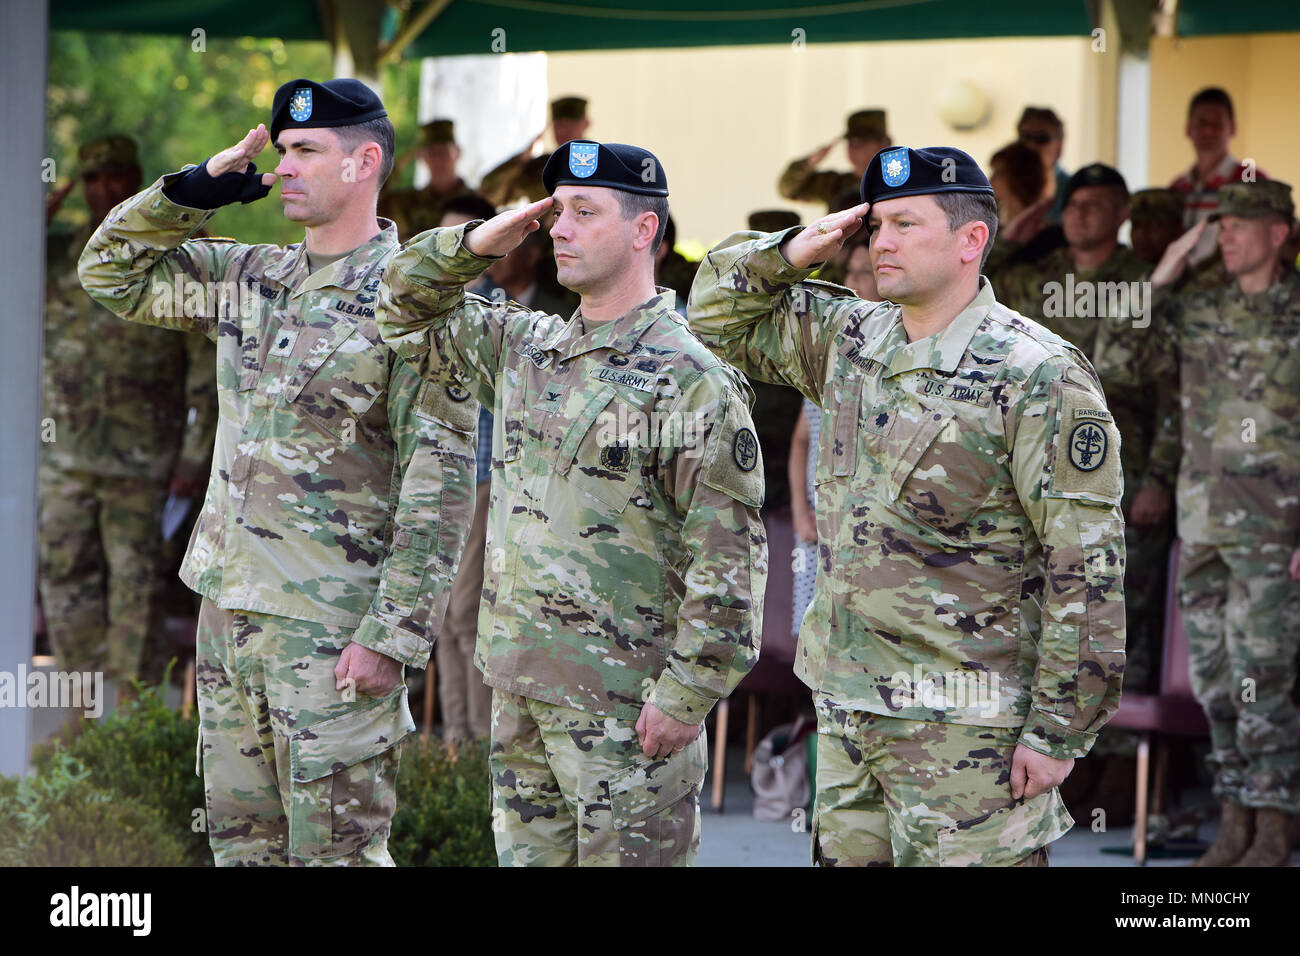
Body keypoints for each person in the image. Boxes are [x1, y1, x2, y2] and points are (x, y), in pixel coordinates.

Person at [78, 78, 478, 866]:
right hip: (230, 611)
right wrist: (195, 190)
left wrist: (390, 638)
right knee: (241, 852)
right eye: (283, 151)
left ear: (366, 162)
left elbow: (441, 489)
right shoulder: (251, 276)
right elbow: (110, 271)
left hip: (333, 631)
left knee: (338, 857)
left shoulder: (415, 303)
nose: (285, 167)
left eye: (306, 151)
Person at [690, 146, 1126, 866]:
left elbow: (1086, 568)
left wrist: (1057, 732)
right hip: (849, 708)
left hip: (968, 729)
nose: (880, 241)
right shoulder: (850, 338)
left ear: (971, 241)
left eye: (904, 225)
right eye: (876, 225)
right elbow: (711, 314)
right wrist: (792, 250)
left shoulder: (1037, 374)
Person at [379, 139, 768, 867]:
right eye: (556, 213)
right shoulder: (527, 347)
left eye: (584, 212)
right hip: (521, 690)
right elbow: (399, 307)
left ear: (643, 231)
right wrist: (473, 243)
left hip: (627, 710)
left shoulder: (692, 381)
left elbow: (729, 566)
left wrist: (685, 698)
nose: (560, 229)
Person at [998, 163, 1178, 823]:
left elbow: (1171, 394)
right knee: (1051, 620)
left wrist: (1160, 475)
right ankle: (1065, 757)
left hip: (1121, 485)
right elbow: (978, 274)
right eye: (1073, 205)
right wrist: (1023, 227)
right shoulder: (1035, 279)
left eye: (1098, 205)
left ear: (1123, 211)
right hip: (1039, 484)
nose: (1081, 215)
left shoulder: (1144, 283)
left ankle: (1125, 771)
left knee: (1118, 622)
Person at [1149, 180, 1300, 867]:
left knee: (1262, 671)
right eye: (1222, 225)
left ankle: (1276, 822)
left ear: (1279, 233)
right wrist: (1171, 265)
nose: (1227, 235)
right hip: (1204, 518)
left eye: (1241, 224)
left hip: (1275, 527)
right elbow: (1120, 359)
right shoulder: (1199, 306)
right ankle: (1233, 815)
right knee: (1214, 678)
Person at [41, 134, 216, 704]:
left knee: (137, 595)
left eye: (115, 176)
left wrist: (194, 455)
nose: (104, 188)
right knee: (65, 584)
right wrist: (33, 211)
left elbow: (204, 365)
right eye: (92, 179)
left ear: (135, 180)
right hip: (63, 457)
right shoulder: (54, 250)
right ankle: (79, 721)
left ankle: (132, 722)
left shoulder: (167, 254)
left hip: (143, 461)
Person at [1170, 87, 1269, 267]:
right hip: (1181, 288)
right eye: (1201, 122)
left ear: (1232, 128)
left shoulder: (1251, 179)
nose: (1208, 130)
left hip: (1233, 289)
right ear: (1187, 128)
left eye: (1217, 123)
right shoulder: (1177, 187)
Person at [378, 118, 480, 239]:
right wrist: (407, 157)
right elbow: (372, 193)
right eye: (431, 152)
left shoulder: (477, 202)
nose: (438, 160)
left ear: (458, 152)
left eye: (444, 152)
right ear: (421, 155)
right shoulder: (406, 202)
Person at [479, 96, 590, 207]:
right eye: (558, 124)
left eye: (570, 124)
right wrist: (521, 160)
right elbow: (490, 193)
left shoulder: (599, 161)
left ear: (586, 124)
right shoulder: (542, 166)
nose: (563, 130)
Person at [778, 109, 890, 211]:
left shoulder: (896, 183)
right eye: (849, 142)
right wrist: (811, 161)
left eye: (859, 142)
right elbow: (788, 190)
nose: (851, 148)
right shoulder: (835, 184)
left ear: (883, 144)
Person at [1016, 107, 1069, 225]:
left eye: (1041, 139)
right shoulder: (1004, 180)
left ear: (1060, 146)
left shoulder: (1072, 188)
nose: (1031, 145)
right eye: (1025, 137)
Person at [1129, 188, 1187, 267]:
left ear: (1177, 230)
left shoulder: (1199, 277)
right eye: (1136, 225)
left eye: (1154, 226)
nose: (1141, 234)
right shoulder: (1116, 273)